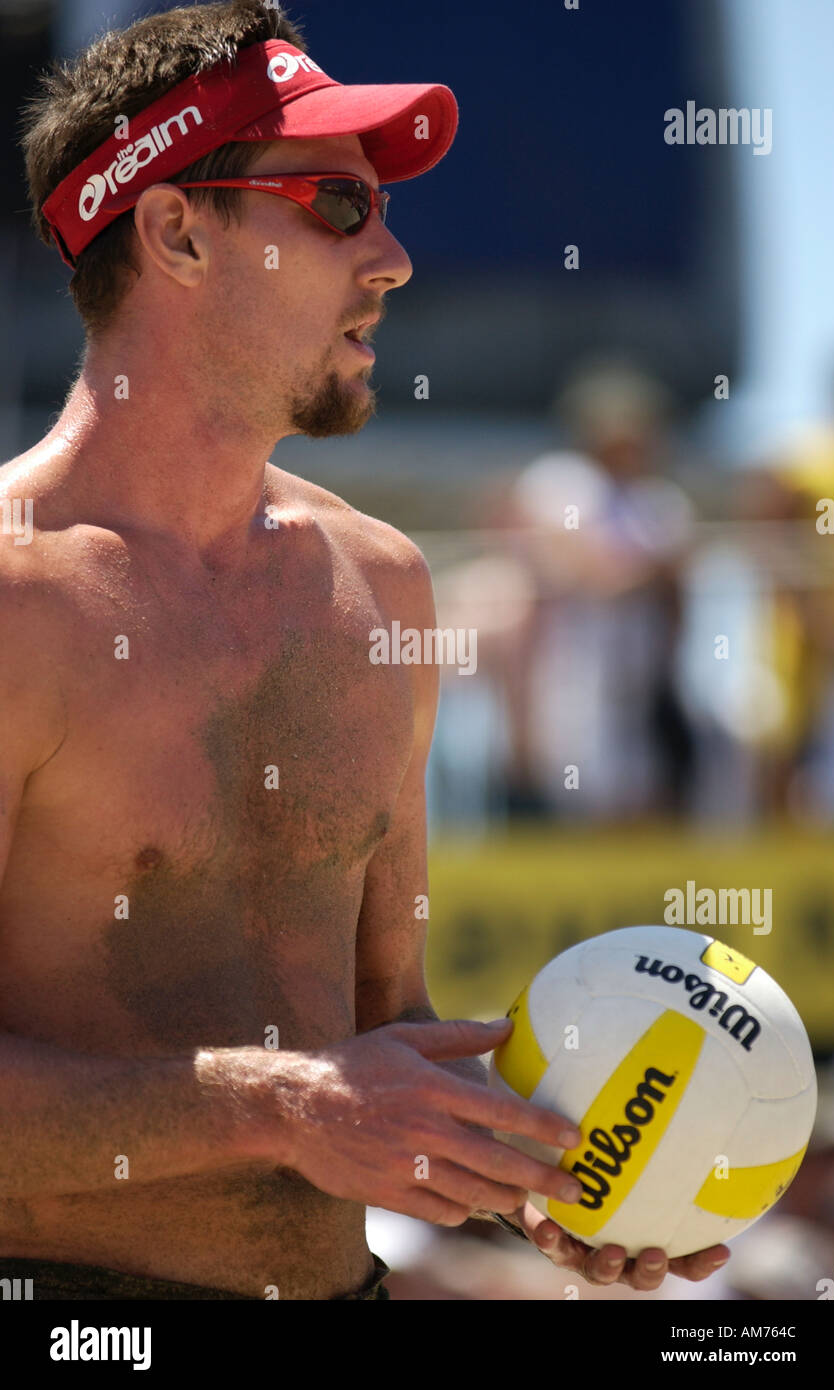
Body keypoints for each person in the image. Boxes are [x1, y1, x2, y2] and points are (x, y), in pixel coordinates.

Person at [0, 0, 729, 1299]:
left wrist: (550, 1173)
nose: (392, 256)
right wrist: (282, 1105)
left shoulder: (378, 585)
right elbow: (319, 1096)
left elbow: (381, 1027)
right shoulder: (17, 600)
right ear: (174, 229)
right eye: (338, 208)